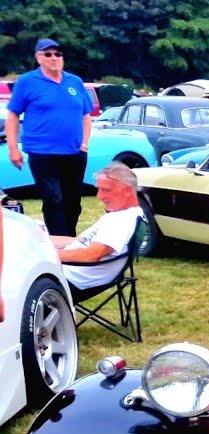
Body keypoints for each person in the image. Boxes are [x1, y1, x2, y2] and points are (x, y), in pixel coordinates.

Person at [5, 39, 96, 238]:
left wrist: (84, 144)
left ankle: (69, 239)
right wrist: (13, 148)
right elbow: (12, 116)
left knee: (73, 201)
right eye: (48, 54)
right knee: (53, 199)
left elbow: (86, 116)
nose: (54, 58)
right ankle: (59, 243)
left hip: (74, 152)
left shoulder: (74, 82)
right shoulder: (27, 82)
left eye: (57, 54)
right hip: (42, 152)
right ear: (38, 58)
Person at [47, 162, 144, 292]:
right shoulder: (126, 215)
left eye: (106, 190)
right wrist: (38, 238)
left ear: (127, 190)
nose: (99, 196)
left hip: (71, 279)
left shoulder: (121, 221)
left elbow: (91, 255)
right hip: (68, 272)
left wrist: (43, 255)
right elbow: (79, 241)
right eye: (99, 189)